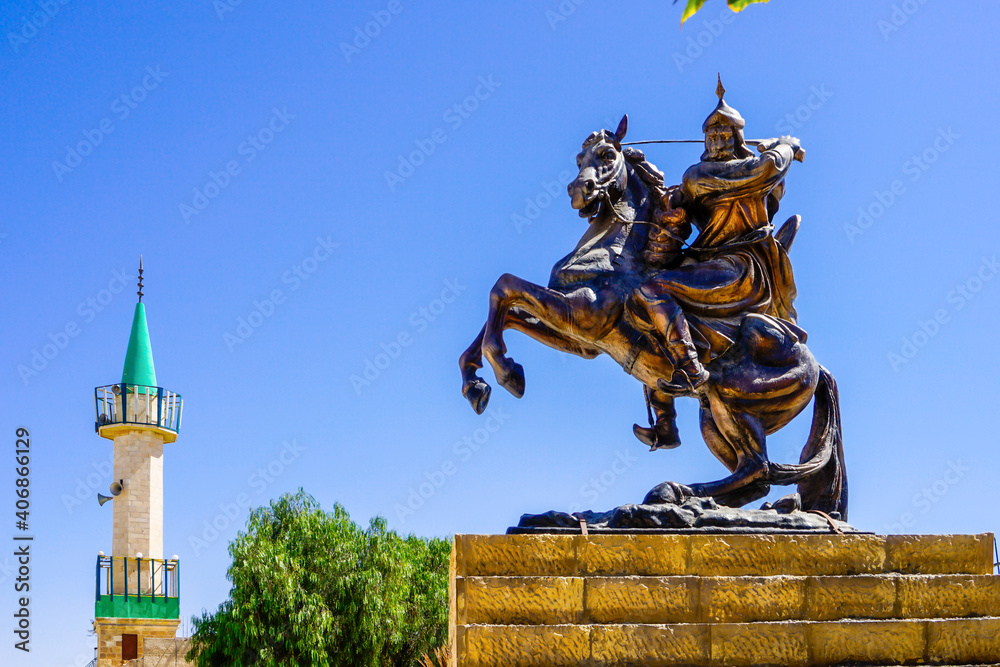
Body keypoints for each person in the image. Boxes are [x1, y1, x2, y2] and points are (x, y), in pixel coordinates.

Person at [630, 78, 804, 448]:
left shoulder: (737, 174)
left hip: (739, 269)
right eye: (711, 136)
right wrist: (673, 217)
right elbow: (685, 214)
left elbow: (766, 177)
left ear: (737, 138)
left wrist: (781, 151)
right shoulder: (700, 176)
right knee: (643, 312)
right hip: (711, 264)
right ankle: (665, 420)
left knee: (652, 290)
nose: (717, 142)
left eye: (724, 135)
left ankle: (691, 370)